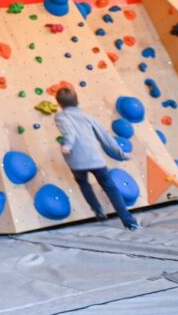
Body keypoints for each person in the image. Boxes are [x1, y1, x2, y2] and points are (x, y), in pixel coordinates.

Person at [54, 87, 140, 230]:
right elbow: (104, 136)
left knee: (83, 183)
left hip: (76, 159)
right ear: (77, 101)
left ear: (59, 103)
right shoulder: (87, 116)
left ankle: (97, 209)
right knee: (110, 187)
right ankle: (129, 221)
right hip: (95, 158)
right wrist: (121, 154)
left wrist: (67, 145)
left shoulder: (61, 116)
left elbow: (69, 132)